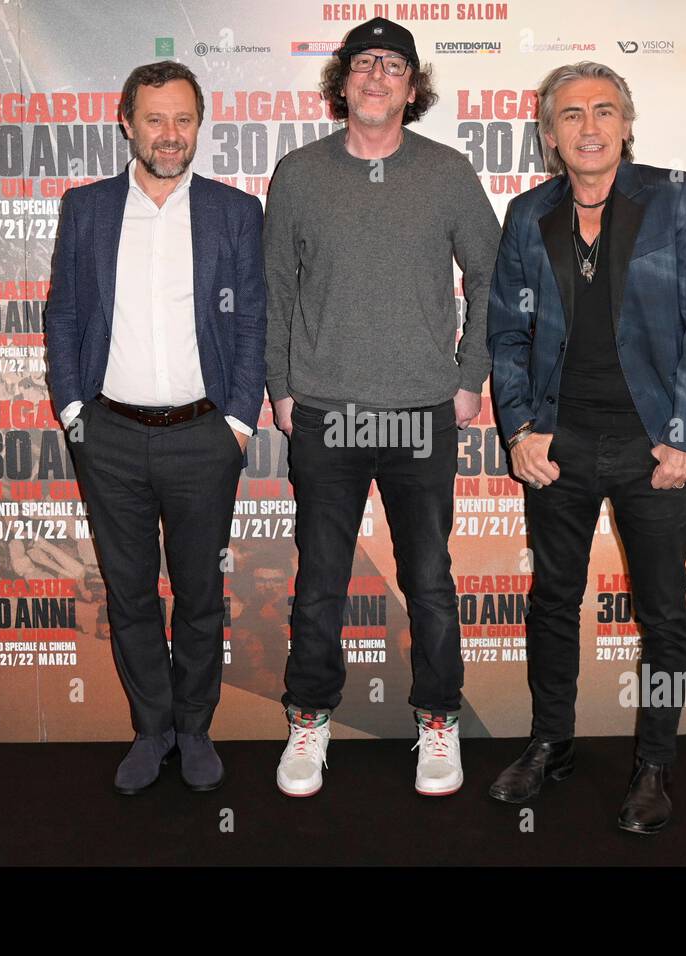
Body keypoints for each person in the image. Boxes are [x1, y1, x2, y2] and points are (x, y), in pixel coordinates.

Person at [485, 62, 686, 833]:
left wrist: (685, 439)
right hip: (559, 447)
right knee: (554, 600)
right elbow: (505, 333)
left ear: (626, 124)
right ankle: (550, 742)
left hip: (652, 447)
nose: (588, 127)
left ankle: (654, 763)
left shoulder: (671, 197)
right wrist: (521, 430)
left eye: (603, 112)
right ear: (549, 132)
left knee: (663, 616)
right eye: (570, 115)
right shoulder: (528, 214)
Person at [263, 17, 501, 797]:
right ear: (343, 81)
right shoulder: (298, 174)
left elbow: (493, 280)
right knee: (321, 580)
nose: (376, 76)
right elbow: (275, 294)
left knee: (429, 577)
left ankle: (438, 721)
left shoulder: (449, 172)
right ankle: (309, 718)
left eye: (392, 65)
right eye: (363, 63)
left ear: (411, 85)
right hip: (325, 413)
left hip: (423, 411)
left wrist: (471, 378)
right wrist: (283, 388)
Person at [44, 60, 267, 794]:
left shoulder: (235, 212)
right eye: (154, 120)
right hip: (108, 439)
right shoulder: (87, 208)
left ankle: (195, 729)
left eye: (183, 120)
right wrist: (74, 413)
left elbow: (251, 325)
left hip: (206, 437)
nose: (169, 135)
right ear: (126, 123)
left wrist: (238, 420)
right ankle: (152, 729)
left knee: (200, 594)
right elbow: (65, 315)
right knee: (132, 592)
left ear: (198, 125)